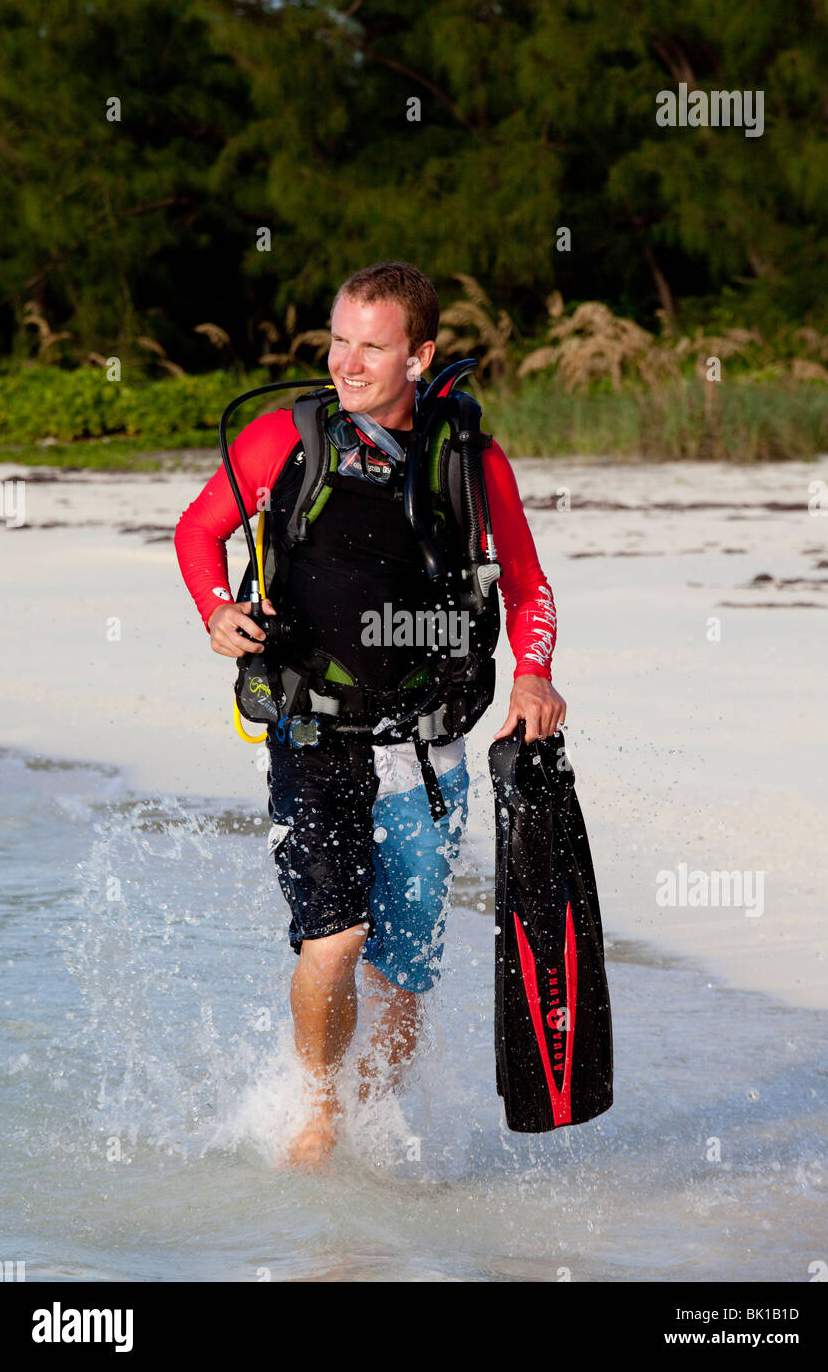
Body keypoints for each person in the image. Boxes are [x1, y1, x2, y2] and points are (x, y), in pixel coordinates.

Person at [175, 262, 564, 1166]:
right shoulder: (287, 438)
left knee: (404, 975)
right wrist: (215, 611)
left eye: (372, 346)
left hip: (430, 751)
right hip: (312, 730)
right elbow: (199, 533)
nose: (346, 362)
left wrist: (533, 678)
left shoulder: (469, 457)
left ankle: (374, 1125)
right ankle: (316, 1109)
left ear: (420, 354)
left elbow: (529, 584)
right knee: (336, 937)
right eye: (338, 339)